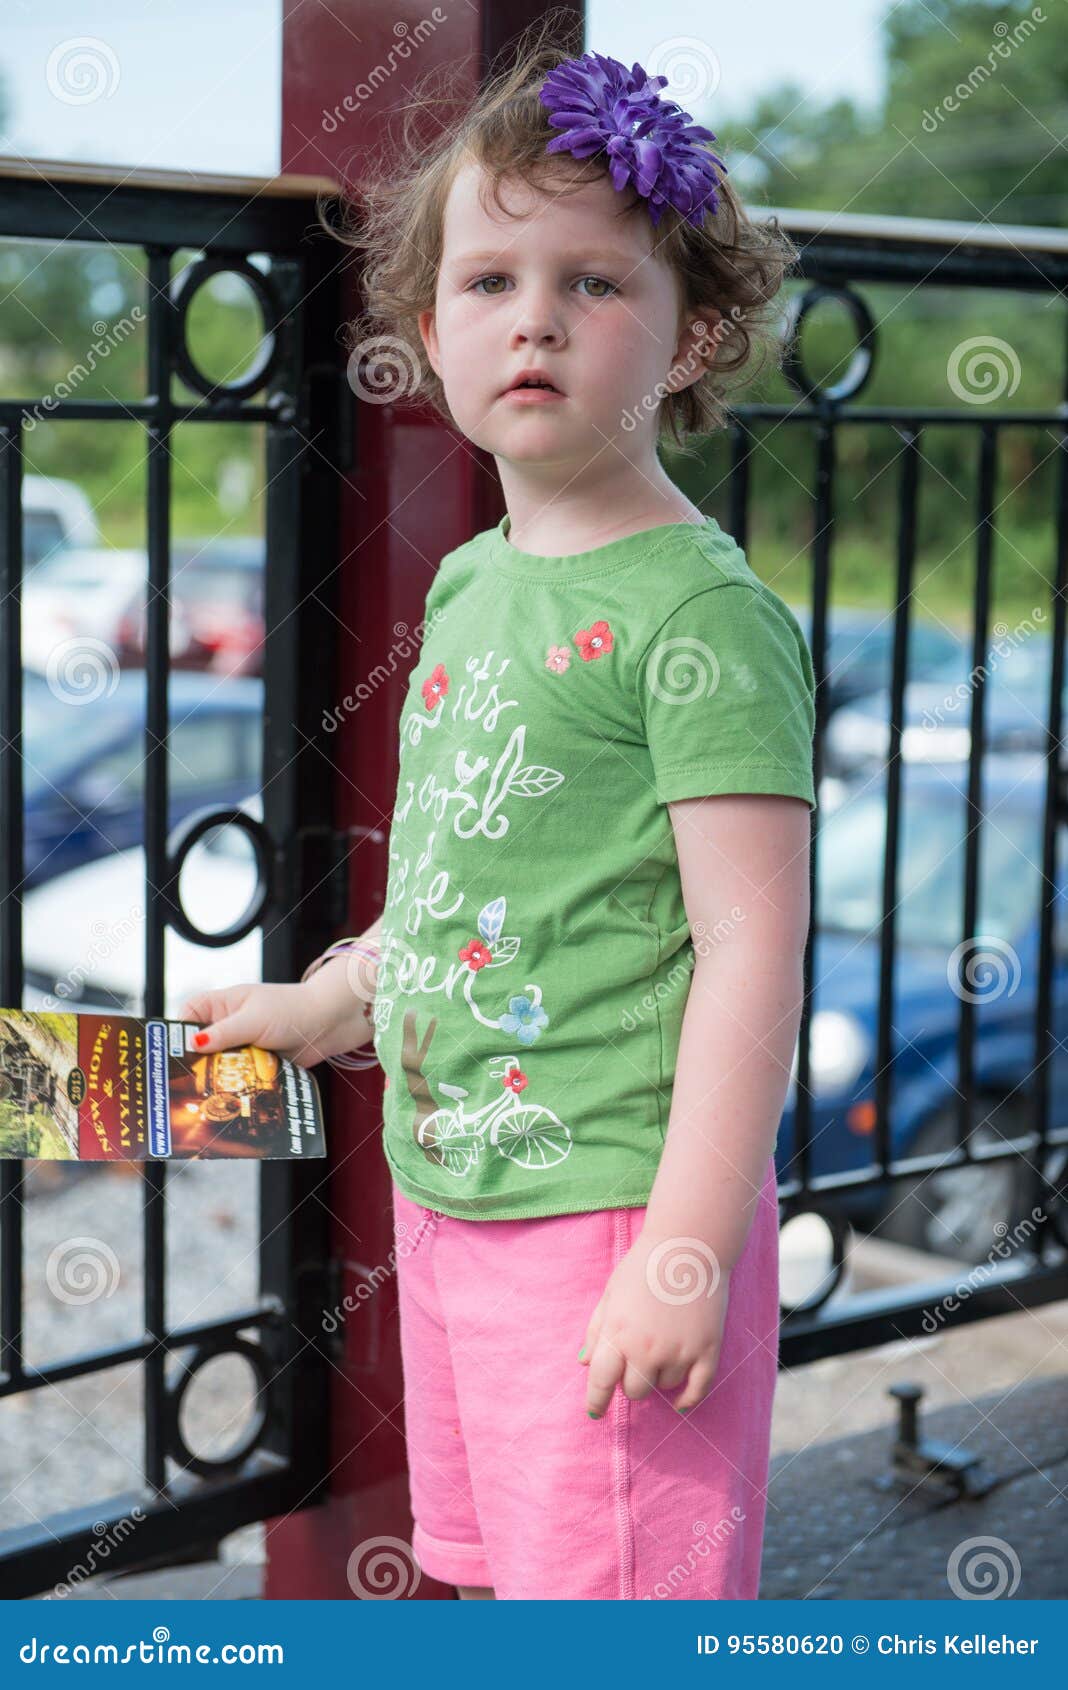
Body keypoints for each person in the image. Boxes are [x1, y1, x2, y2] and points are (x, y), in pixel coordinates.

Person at [179, 29, 815, 1601]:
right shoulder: (471, 585)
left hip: (615, 1213)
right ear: (425, 330)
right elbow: (472, 875)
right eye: (490, 283)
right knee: (511, 1585)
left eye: (595, 284)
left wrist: (687, 1249)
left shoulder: (701, 616)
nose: (536, 318)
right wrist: (332, 993)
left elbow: (752, 957)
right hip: (459, 1195)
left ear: (693, 334)